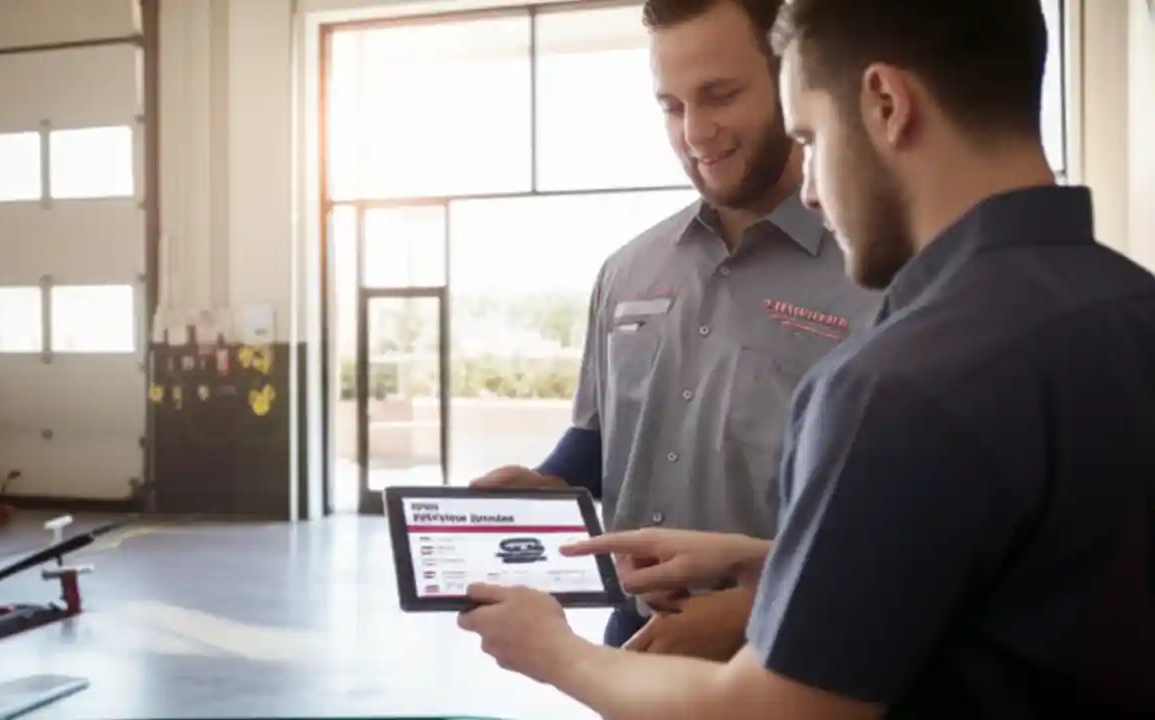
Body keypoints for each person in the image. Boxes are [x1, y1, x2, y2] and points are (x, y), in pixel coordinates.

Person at [456, 0, 1155, 717]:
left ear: (887, 104)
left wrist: (554, 650)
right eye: (672, 105)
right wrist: (769, 567)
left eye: (810, 138)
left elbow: (775, 710)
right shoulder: (1131, 307)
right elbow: (1014, 581)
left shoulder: (902, 377)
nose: (813, 190)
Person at [471, 0, 880, 658]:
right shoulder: (627, 271)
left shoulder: (877, 275)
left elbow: (901, 523)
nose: (695, 132)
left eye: (720, 96)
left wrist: (754, 610)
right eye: (671, 105)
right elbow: (601, 439)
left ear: (791, 81)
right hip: (632, 647)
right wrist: (546, 489)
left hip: (793, 660)